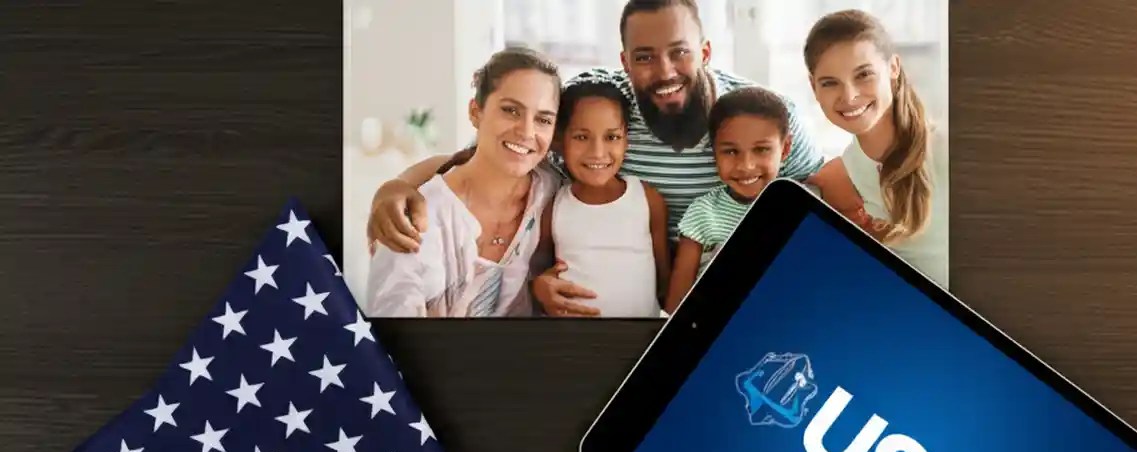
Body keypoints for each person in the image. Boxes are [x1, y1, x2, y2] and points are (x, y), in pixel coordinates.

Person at [364, 0, 825, 317]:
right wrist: (399, 185)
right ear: (625, 62)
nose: (664, 71)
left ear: (704, 52)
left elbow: (823, 191)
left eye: (679, 53)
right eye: (645, 57)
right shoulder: (602, 106)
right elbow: (509, 150)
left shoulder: (760, 118)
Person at [364, 48, 561, 317]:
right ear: (475, 112)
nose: (527, 132)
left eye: (543, 119)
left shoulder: (552, 192)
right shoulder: (415, 219)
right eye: (511, 110)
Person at [803, 9, 950, 288]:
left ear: (893, 68)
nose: (849, 96)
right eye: (830, 83)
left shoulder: (948, 149)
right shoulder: (836, 179)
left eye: (864, 75)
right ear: (813, 87)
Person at [537, 81, 671, 318]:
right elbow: (538, 273)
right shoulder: (554, 206)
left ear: (626, 139)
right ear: (559, 139)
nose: (598, 152)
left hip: (640, 339)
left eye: (612, 137)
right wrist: (539, 287)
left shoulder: (647, 199)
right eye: (581, 137)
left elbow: (663, 278)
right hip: (575, 340)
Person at [665, 87, 792, 313]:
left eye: (762, 149)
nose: (746, 166)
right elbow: (677, 301)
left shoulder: (796, 208)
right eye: (731, 152)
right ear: (714, 152)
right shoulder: (703, 213)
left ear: (785, 149)